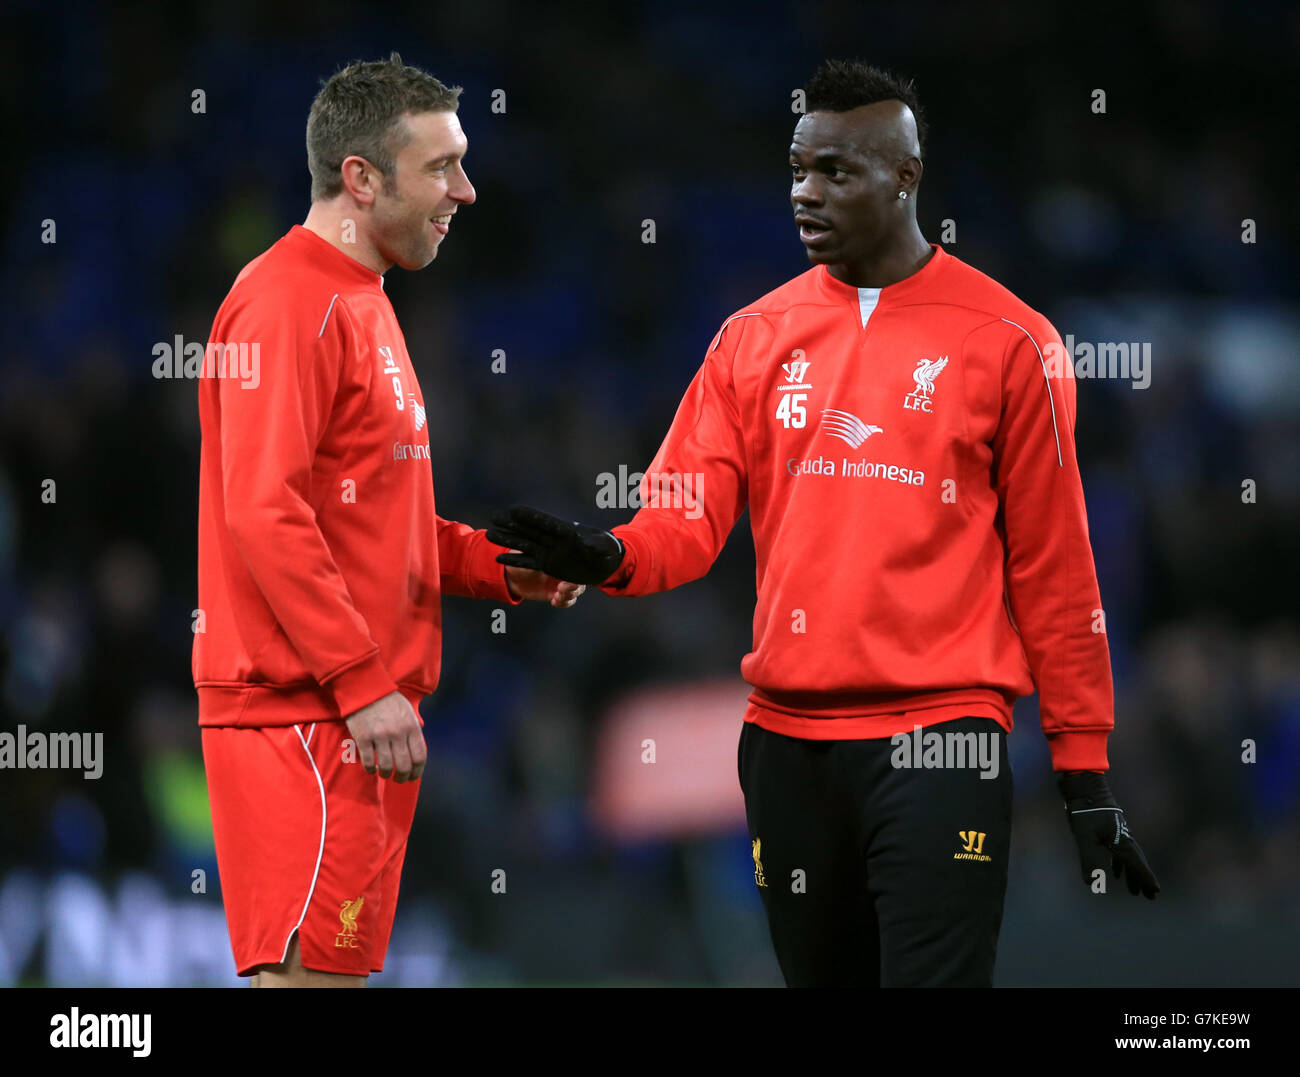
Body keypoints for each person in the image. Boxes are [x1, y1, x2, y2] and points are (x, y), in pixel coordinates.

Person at [487, 58, 1159, 988]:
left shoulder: (1013, 343)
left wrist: (1082, 768)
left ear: (906, 177)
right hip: (787, 746)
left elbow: (1056, 568)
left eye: (836, 172)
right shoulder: (751, 339)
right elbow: (682, 519)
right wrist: (609, 553)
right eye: (798, 170)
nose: (806, 194)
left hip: (942, 735)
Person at [192, 54, 582, 988]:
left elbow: (364, 520)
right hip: (305, 715)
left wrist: (500, 566)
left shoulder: (364, 303)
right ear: (361, 180)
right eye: (441, 167)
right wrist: (362, 682)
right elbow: (264, 506)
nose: (468, 190)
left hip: (350, 717)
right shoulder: (289, 301)